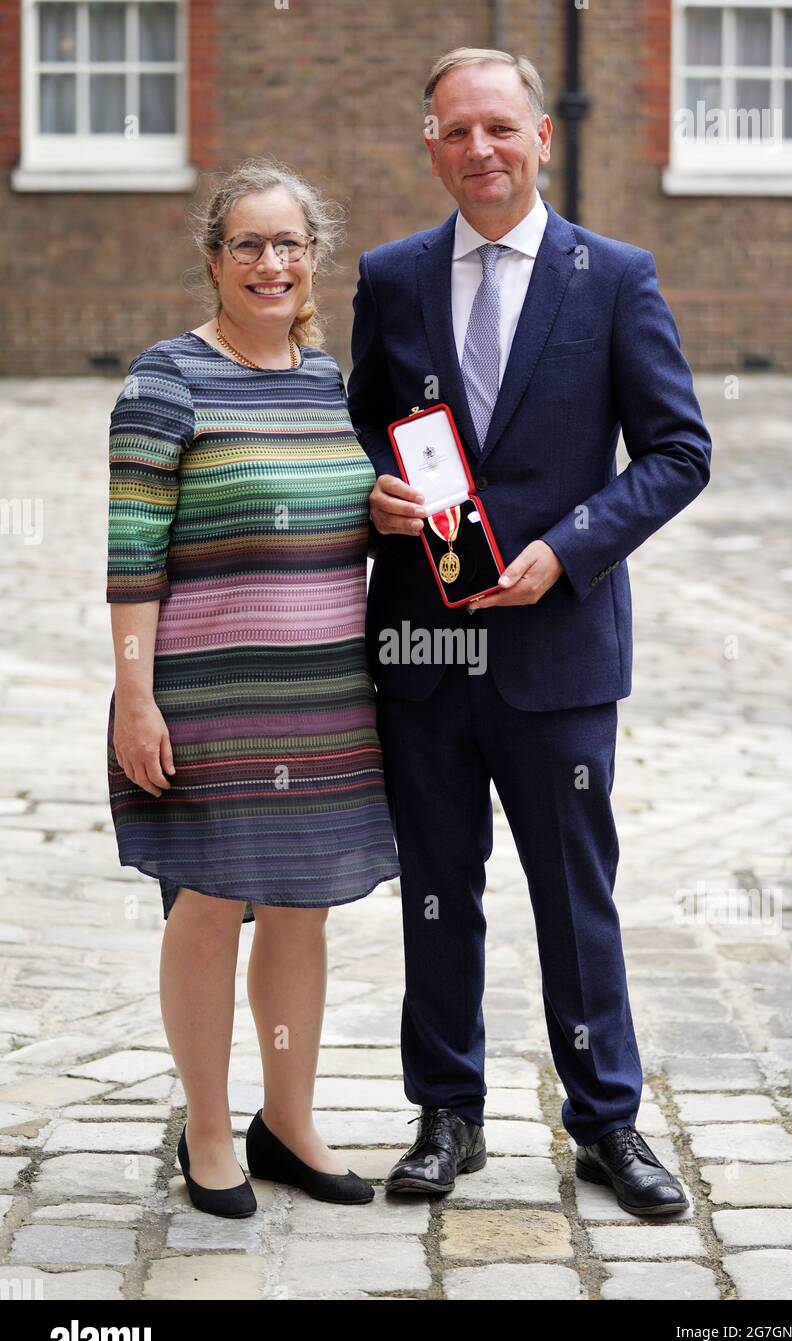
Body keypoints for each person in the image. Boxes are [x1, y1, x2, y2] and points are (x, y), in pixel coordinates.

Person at [347, 48, 712, 1216]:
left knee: (573, 893)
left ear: (539, 137)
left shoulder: (612, 276)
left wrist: (568, 549)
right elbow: (360, 432)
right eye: (455, 131)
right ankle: (446, 1114)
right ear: (430, 146)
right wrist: (372, 494)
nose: (479, 150)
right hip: (422, 649)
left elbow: (675, 452)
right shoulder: (391, 280)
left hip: (554, 653)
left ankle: (606, 1122)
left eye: (499, 128)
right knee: (438, 889)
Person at [106, 156, 400, 1216]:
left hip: (323, 693)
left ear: (313, 258)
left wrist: (382, 512)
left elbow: (336, 507)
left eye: (289, 245)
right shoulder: (165, 379)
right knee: (208, 901)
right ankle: (211, 1130)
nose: (270, 264)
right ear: (215, 259)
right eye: (249, 245)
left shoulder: (328, 381)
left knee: (301, 910)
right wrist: (134, 697)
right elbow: (132, 552)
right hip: (206, 693)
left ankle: (289, 1120)